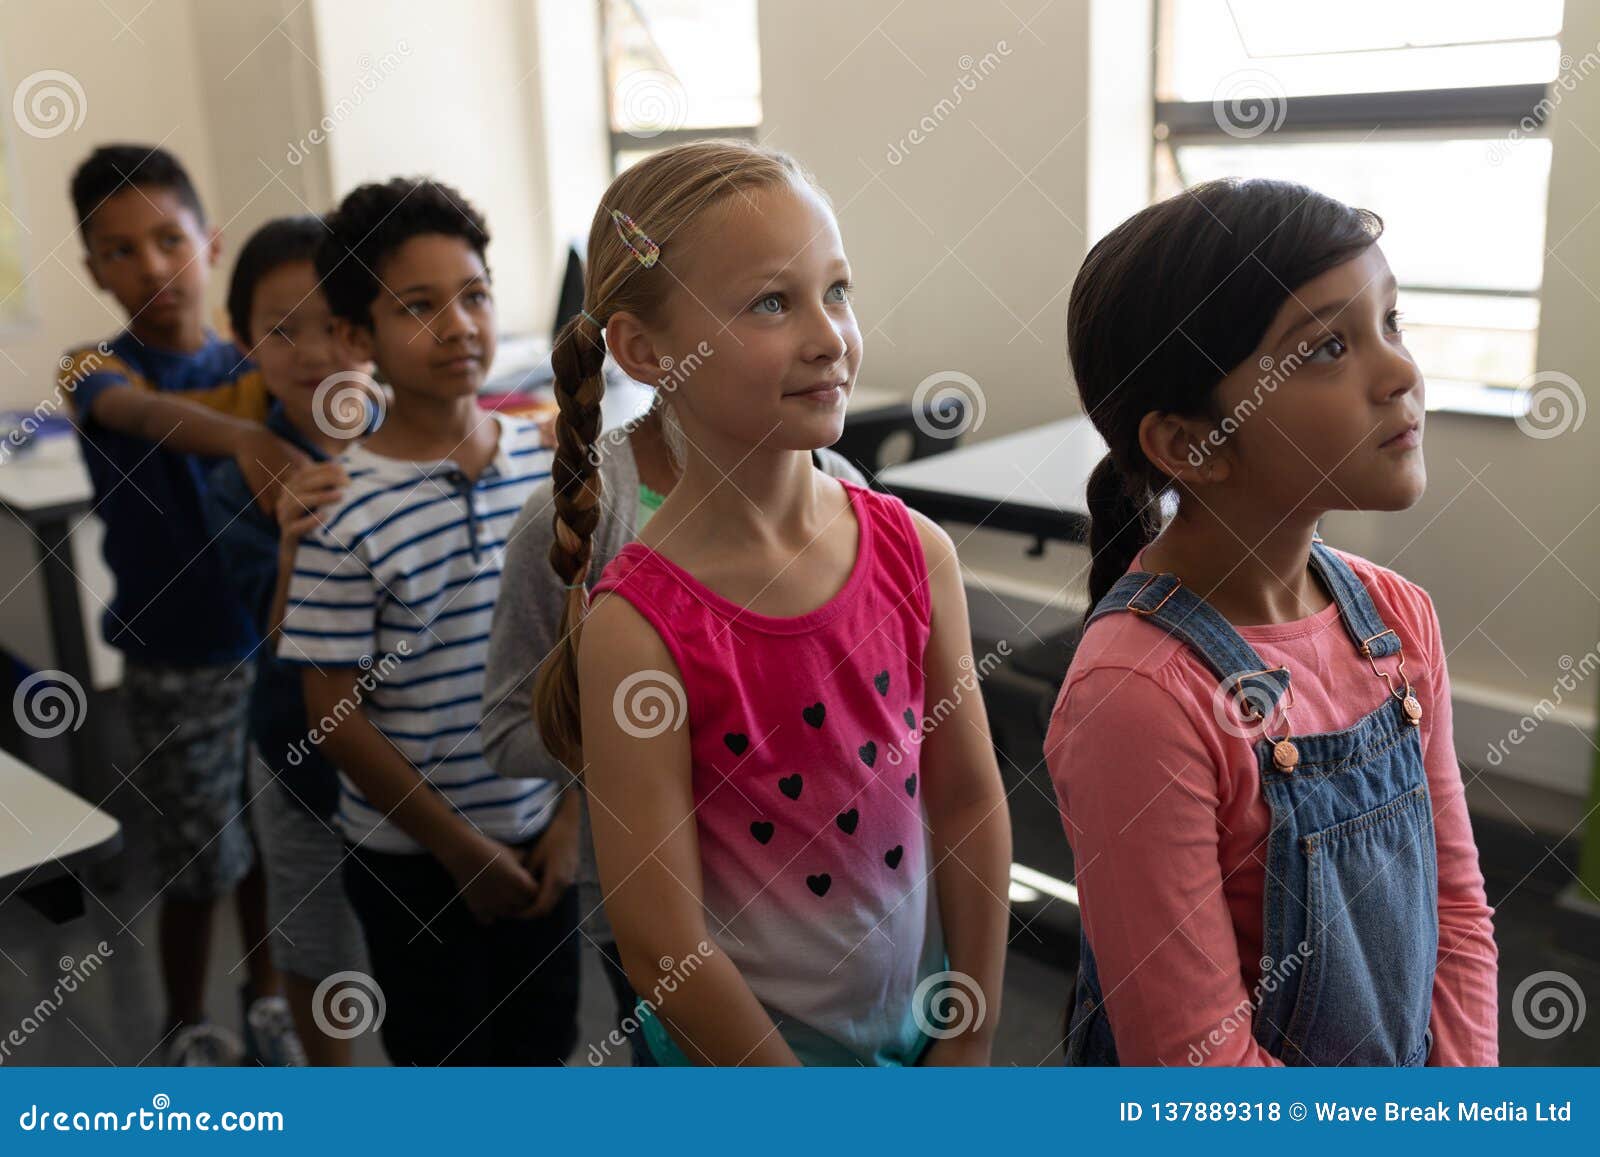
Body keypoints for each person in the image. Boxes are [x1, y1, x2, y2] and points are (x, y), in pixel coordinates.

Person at [532, 140, 1012, 1066]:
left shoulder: (917, 554)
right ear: (645, 349)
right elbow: (662, 940)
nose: (829, 334)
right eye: (770, 302)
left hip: (924, 1040)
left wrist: (974, 1032)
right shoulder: (637, 629)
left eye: (836, 290)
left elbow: (969, 803)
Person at [1046, 178, 1498, 1066]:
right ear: (1191, 445)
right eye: (1327, 346)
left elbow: (1458, 913)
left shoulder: (1399, 620)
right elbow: (1197, 1066)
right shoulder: (1137, 697)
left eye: (1391, 322)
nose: (1401, 371)